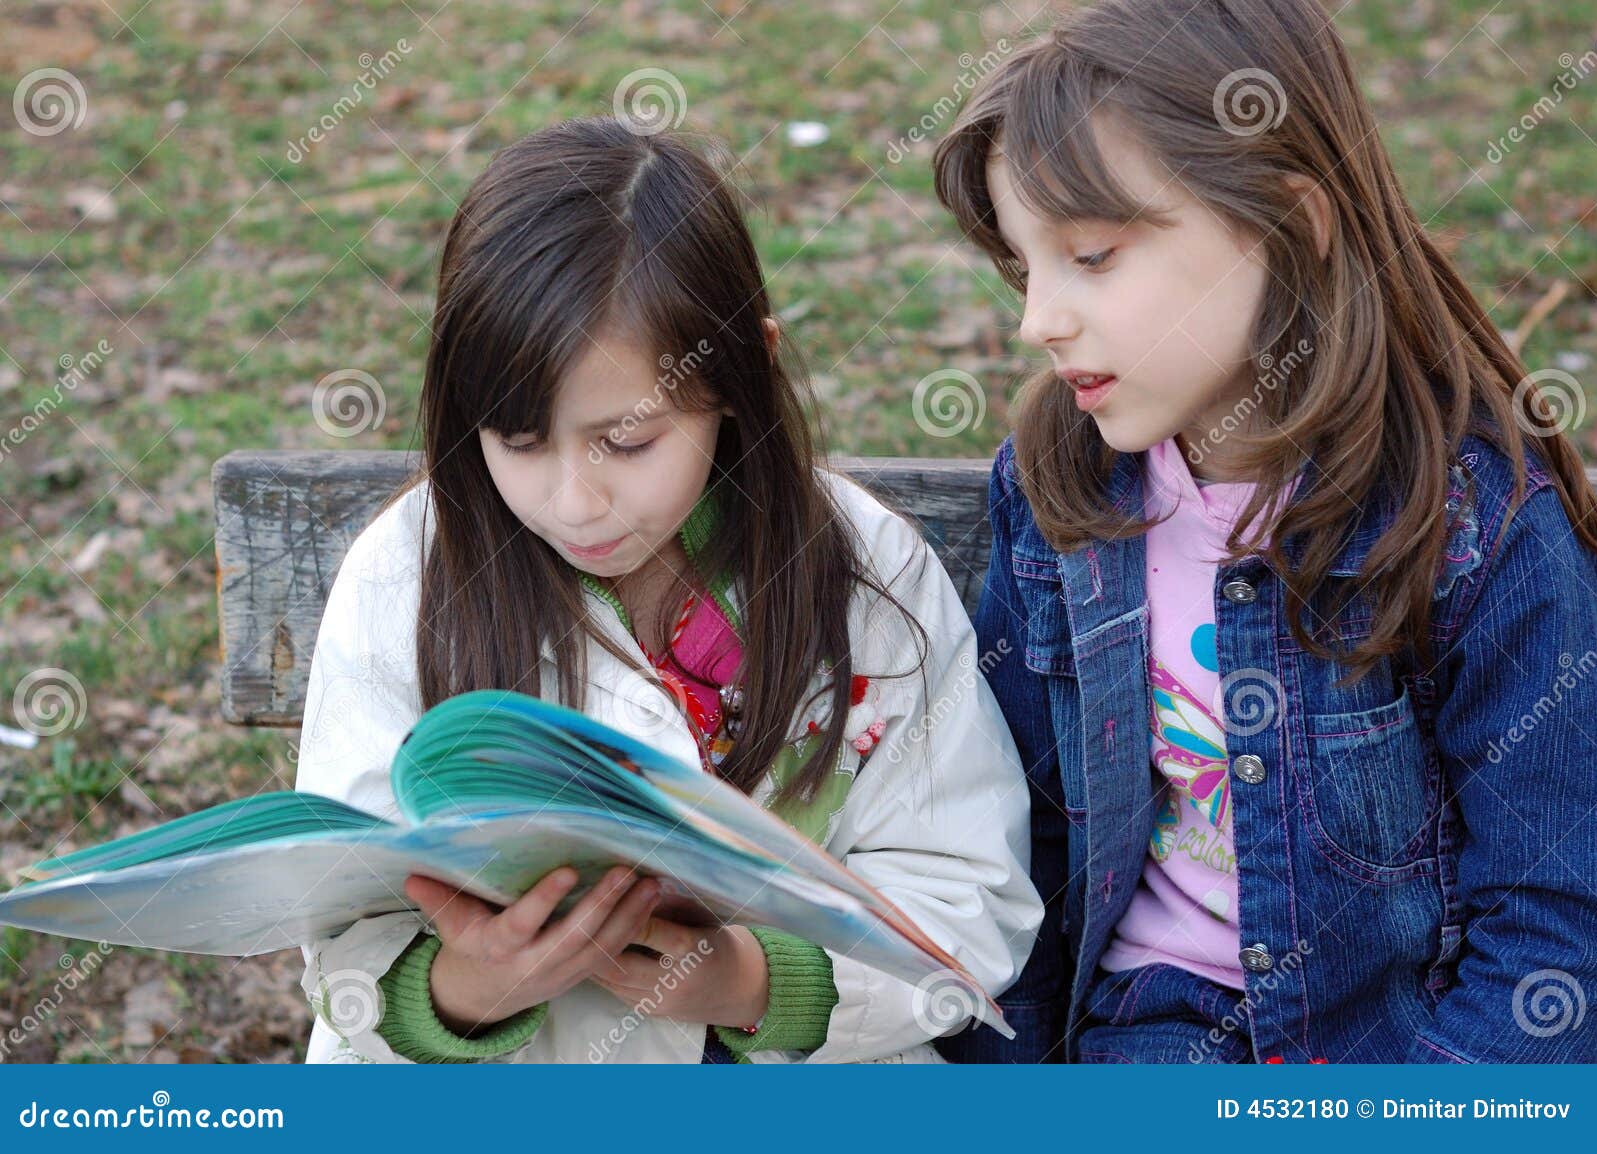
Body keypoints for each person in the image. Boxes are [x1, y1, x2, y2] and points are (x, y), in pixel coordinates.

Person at [933, 0, 1597, 1063]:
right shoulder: (1060, 491)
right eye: (1025, 267)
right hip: (1146, 1042)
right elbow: (1022, 847)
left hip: (1402, 1057)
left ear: (1290, 221)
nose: (1036, 319)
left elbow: (1558, 923)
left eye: (1092, 256)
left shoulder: (1473, 518)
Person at [293, 116, 1041, 1064]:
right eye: (519, 443)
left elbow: (967, 893)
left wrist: (755, 983)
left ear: (741, 373)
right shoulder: (406, 575)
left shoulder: (865, 571)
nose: (574, 499)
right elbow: (343, 926)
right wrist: (472, 988)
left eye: (628, 441)